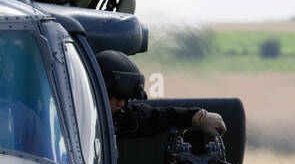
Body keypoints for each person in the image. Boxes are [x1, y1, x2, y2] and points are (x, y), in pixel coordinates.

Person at [96, 50, 225, 138]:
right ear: (101, 90)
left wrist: (198, 117)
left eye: (126, 99)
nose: (122, 104)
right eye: (119, 96)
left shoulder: (117, 118)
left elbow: (153, 117)